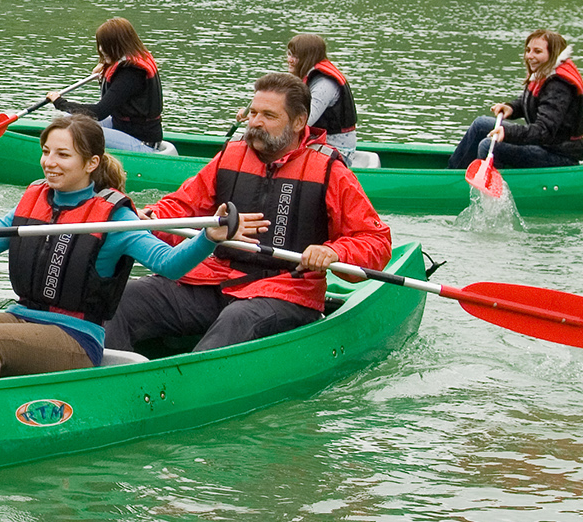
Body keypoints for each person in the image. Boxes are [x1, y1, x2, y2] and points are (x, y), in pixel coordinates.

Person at [0, 114, 262, 388]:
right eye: (46, 151)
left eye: (63, 155)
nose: (50, 162)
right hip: (25, 318)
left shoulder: (115, 217)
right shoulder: (34, 198)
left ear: (91, 163)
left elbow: (170, 265)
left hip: (75, 339)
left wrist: (207, 238)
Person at [106, 72, 392, 355]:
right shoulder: (230, 157)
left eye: (268, 115)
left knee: (238, 320)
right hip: (214, 279)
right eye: (253, 112)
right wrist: (150, 218)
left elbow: (375, 241)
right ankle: (105, 378)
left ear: (298, 122)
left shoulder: (330, 171)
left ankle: (190, 392)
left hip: (284, 290)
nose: (255, 122)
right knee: (124, 298)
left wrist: (334, 252)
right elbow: (183, 207)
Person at [450, 30, 583, 169]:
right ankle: (452, 174)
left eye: (537, 51)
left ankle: (491, 188)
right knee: (481, 124)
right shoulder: (544, 74)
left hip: (559, 154)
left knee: (488, 146)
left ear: (553, 55)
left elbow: (544, 130)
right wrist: (511, 107)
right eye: (528, 50)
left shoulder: (558, 86)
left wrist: (508, 133)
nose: (529, 56)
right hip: (544, 144)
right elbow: (532, 102)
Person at [54, 17, 164, 153]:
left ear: (118, 45)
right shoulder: (133, 58)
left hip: (142, 142)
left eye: (105, 45)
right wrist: (105, 65)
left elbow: (98, 112)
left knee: (74, 129)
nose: (101, 49)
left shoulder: (131, 74)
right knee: (69, 120)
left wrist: (61, 103)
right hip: (123, 127)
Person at [287, 33, 360, 162]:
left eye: (295, 56)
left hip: (336, 151)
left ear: (308, 58)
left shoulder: (324, 84)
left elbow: (305, 121)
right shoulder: (312, 77)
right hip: (318, 144)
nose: (290, 60)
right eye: (289, 54)